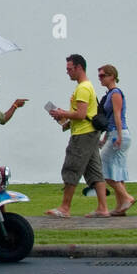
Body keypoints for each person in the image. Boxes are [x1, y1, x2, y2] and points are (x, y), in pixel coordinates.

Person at [46, 54, 110, 218]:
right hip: (90, 134)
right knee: (94, 170)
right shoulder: (86, 86)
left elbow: (81, 114)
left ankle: (65, 207)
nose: (67, 72)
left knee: (71, 168)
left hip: (83, 135)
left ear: (79, 67)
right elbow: (84, 113)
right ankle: (103, 208)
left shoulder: (82, 88)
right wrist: (65, 118)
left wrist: (62, 112)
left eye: (70, 69)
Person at [96, 64, 135, 215]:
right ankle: (121, 206)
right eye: (99, 75)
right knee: (117, 171)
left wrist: (118, 136)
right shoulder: (110, 93)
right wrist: (105, 138)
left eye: (102, 75)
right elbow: (110, 119)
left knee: (102, 168)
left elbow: (117, 116)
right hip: (114, 134)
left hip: (119, 134)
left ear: (112, 76)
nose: (100, 78)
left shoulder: (116, 93)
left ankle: (126, 197)